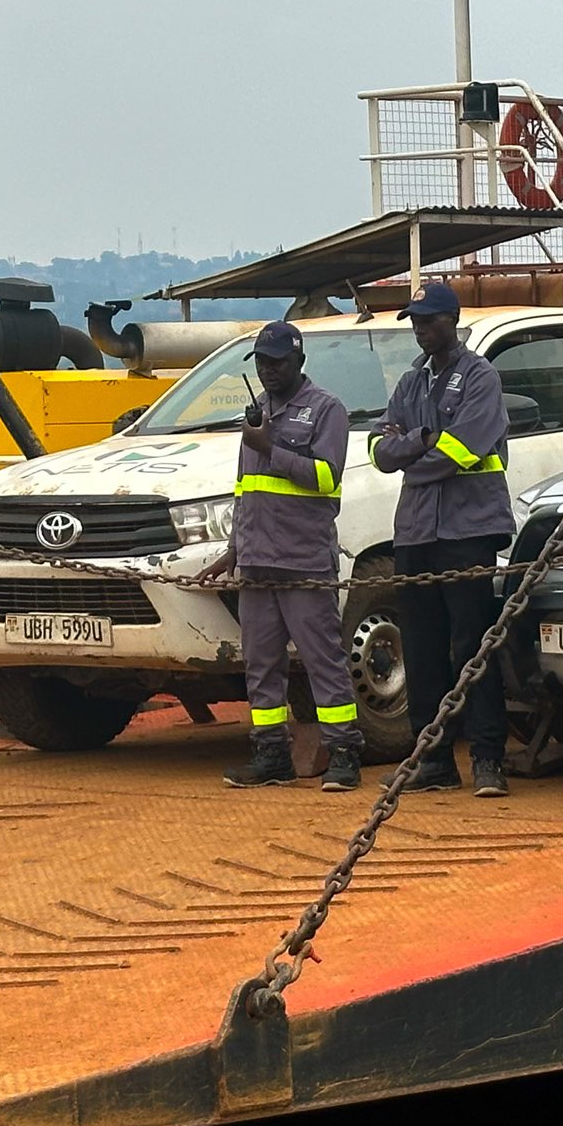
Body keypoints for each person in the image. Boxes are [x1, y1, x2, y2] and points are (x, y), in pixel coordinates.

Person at [200, 320, 362, 791]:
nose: (269, 370)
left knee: (323, 660)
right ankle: (271, 753)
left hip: (303, 560)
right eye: (262, 362)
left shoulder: (326, 410)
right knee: (261, 663)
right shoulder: (256, 416)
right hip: (255, 563)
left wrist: (271, 448)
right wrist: (233, 550)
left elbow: (327, 479)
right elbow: (245, 491)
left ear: (299, 361)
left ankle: (345, 753)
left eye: (278, 362)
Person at [369, 283, 515, 797]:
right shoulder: (410, 383)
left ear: (451, 319)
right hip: (415, 532)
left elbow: (463, 449)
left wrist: (416, 454)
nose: (419, 328)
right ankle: (431, 760)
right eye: (415, 319)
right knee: (423, 649)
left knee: (472, 645)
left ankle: (488, 757)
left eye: (428, 320)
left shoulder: (481, 377)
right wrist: (416, 442)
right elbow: (380, 451)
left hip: (467, 529)